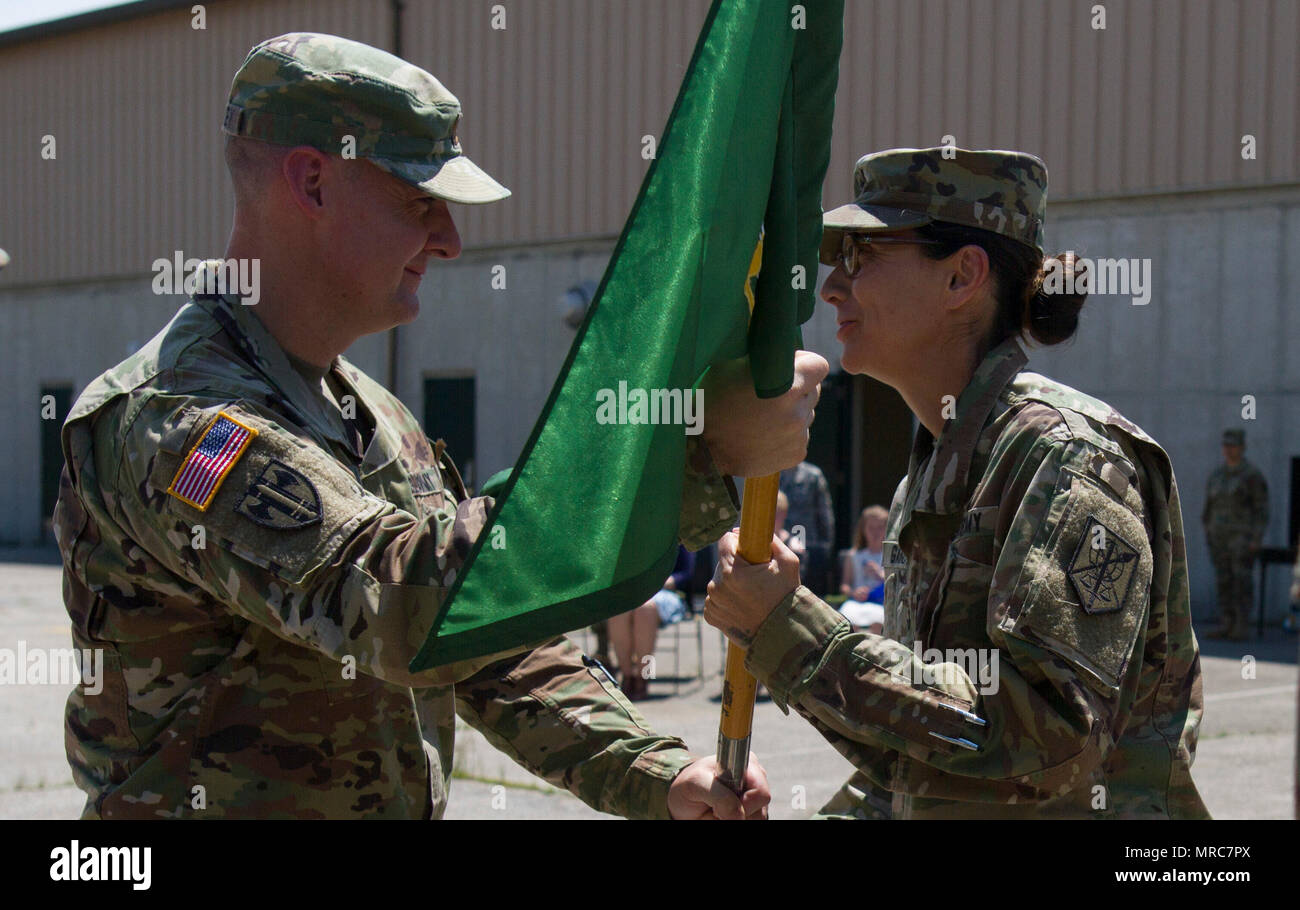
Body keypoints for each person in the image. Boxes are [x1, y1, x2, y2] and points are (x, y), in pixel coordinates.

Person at [52, 33, 830, 820]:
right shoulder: (174, 421)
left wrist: (655, 773)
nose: (452, 240)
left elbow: (490, 642)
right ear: (313, 182)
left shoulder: (376, 415)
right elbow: (397, 609)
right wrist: (690, 453)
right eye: (418, 200)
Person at [704, 147, 1209, 818]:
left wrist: (789, 631)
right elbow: (920, 763)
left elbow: (1047, 742)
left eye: (863, 256)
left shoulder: (1067, 457)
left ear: (962, 276)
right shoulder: (941, 466)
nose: (831, 288)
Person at [1202, 428, 1269, 640]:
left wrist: (1256, 538)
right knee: (1224, 581)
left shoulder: (1251, 476)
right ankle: (1226, 623)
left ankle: (1241, 625)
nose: (1229, 450)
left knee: (1241, 582)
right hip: (1219, 539)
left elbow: (1262, 509)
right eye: (1226, 446)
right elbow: (1209, 508)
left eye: (1234, 446)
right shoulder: (1217, 476)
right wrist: (1208, 532)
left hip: (1241, 540)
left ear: (1242, 447)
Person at [607, 546, 694, 700]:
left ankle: (645, 677)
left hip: (666, 592)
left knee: (645, 608)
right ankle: (627, 676)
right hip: (632, 591)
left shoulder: (679, 530)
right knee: (618, 610)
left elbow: (686, 572)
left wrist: (661, 582)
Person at [779, 461, 834, 596]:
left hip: (807, 538)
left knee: (807, 589)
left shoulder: (812, 475)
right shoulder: (773, 473)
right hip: (780, 538)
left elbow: (824, 511)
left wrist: (826, 544)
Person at [838, 505, 887, 632]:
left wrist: (880, 575)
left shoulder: (890, 557)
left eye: (880, 528)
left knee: (878, 621)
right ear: (863, 530)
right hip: (856, 603)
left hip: (881, 604)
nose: (875, 533)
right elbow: (845, 586)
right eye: (871, 528)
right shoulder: (853, 555)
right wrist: (854, 592)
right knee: (848, 619)